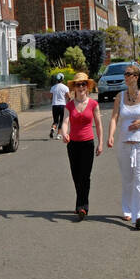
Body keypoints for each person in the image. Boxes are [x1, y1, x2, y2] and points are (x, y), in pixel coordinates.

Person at [107, 62, 140, 229]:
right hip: (124, 144)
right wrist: (111, 136)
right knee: (128, 179)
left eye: (128, 74)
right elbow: (114, 118)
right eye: (125, 74)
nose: (125, 77)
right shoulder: (120, 97)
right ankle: (127, 209)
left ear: (136, 77)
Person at [62, 72, 103, 220]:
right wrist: (65, 134)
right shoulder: (69, 105)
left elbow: (98, 124)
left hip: (87, 143)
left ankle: (82, 206)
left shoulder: (93, 104)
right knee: (76, 175)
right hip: (73, 144)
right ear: (74, 88)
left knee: (85, 176)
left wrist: (101, 143)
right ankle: (80, 203)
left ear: (87, 87)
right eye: (78, 85)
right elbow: (65, 122)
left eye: (83, 84)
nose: (81, 87)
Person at [50, 73, 69, 139]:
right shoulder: (65, 87)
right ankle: (58, 135)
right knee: (61, 120)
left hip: (54, 105)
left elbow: (51, 97)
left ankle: (53, 128)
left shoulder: (53, 87)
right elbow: (68, 97)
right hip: (62, 105)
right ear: (63, 79)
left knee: (55, 121)